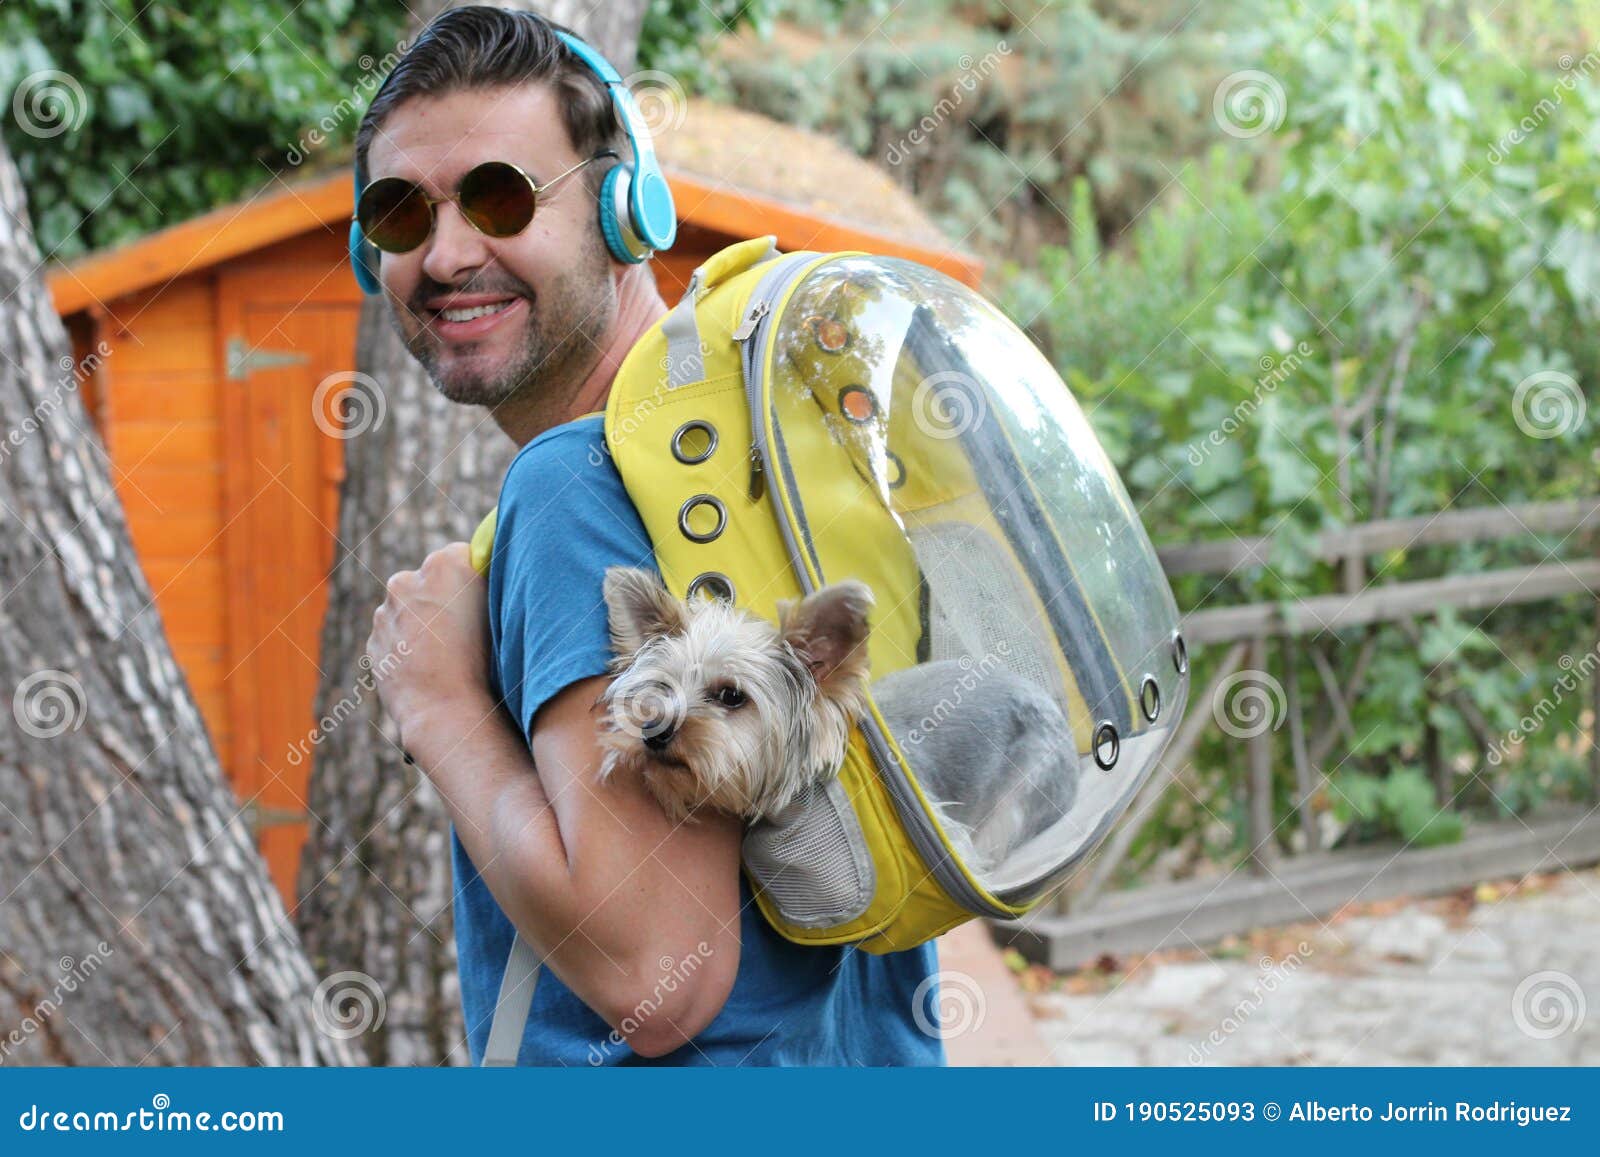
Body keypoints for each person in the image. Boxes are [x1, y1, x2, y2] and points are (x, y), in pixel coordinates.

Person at [357, 5, 943, 1066]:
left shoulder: (572, 485)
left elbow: (655, 979)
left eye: (500, 196)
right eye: (400, 215)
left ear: (626, 211)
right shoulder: (773, 451)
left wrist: (437, 704)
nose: (444, 253)